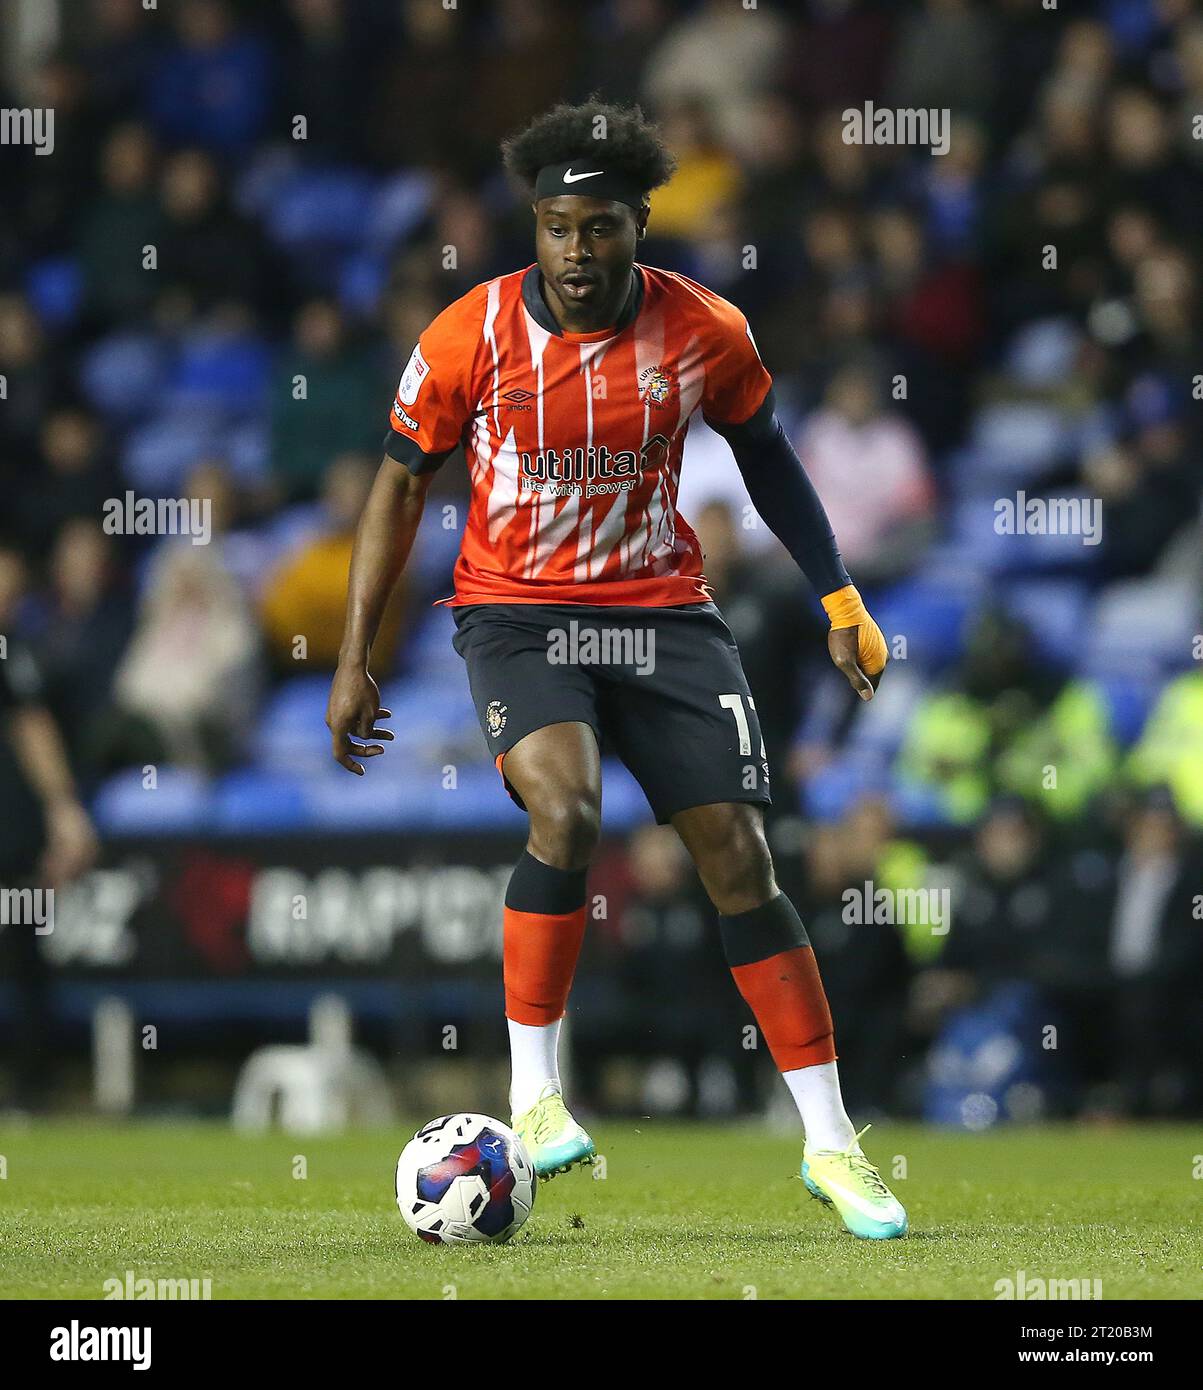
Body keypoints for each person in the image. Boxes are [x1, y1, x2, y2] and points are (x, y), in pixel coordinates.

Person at [326, 101, 906, 1239]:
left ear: (640, 224)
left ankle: (833, 1147)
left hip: (663, 617)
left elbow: (769, 458)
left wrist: (840, 595)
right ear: (531, 229)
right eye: (556, 227)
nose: (577, 252)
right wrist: (355, 655)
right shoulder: (467, 337)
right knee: (568, 803)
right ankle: (533, 1093)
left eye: (600, 227)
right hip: (518, 615)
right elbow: (397, 487)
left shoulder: (706, 330)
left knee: (743, 858)